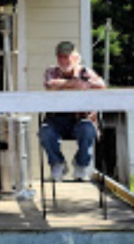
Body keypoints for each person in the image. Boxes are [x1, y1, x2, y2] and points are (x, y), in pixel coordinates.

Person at [38, 40, 106, 182]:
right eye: (60, 57)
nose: (63, 60)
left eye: (67, 56)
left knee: (88, 129)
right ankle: (58, 164)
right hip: (56, 120)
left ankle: (81, 165)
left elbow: (101, 85)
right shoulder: (52, 71)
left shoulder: (84, 71)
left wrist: (64, 84)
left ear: (75, 58)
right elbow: (50, 85)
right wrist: (76, 84)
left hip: (80, 119)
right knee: (45, 131)